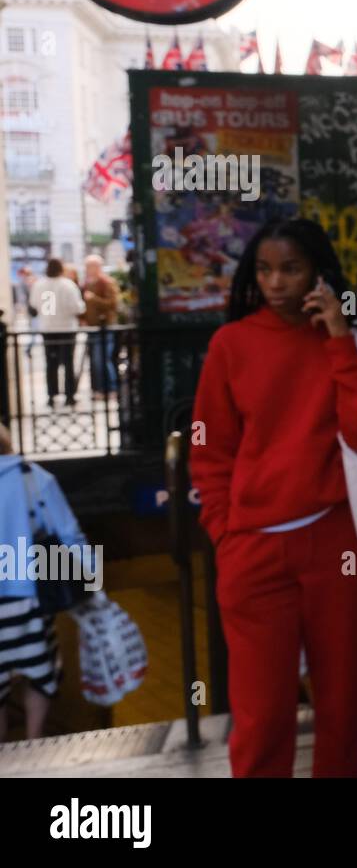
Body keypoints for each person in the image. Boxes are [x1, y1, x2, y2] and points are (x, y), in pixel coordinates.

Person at [189, 218, 357, 778]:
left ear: (318, 272)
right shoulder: (232, 345)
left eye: (290, 269)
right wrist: (225, 531)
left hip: (341, 545)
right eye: (264, 270)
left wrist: (338, 339)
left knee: (341, 711)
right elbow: (210, 449)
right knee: (261, 720)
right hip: (253, 552)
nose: (275, 282)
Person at [0, 422, 89, 741]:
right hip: (29, 599)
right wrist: (93, 583)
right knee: (40, 675)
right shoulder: (33, 478)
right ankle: (35, 744)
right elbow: (70, 535)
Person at [29, 260, 85, 409]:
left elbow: (34, 305)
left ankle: (51, 396)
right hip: (66, 329)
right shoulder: (68, 285)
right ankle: (69, 396)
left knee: (51, 363)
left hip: (48, 329)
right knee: (68, 362)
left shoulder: (39, 285)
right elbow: (77, 307)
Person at [80, 254, 121, 398]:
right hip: (92, 326)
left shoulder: (107, 282)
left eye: (90, 266)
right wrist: (83, 318)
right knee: (96, 360)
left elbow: (113, 304)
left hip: (105, 326)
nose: (87, 269)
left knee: (103, 359)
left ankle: (111, 388)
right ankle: (99, 389)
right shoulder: (86, 283)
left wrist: (94, 299)